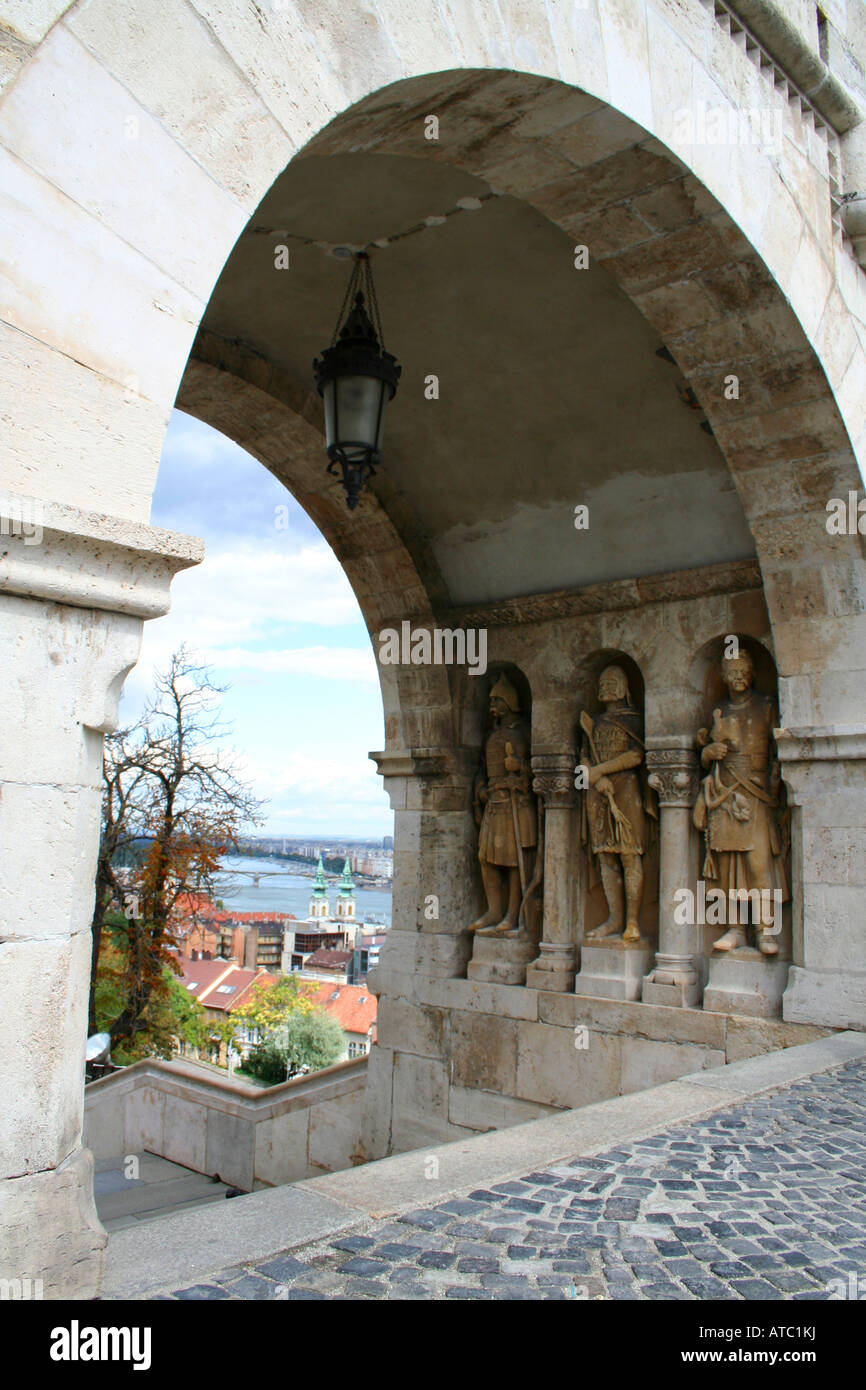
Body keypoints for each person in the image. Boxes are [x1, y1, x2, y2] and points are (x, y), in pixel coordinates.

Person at [694, 649, 788, 955]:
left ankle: (764, 931)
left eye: (744, 671)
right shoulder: (719, 710)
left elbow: (779, 748)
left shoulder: (766, 706)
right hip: (726, 793)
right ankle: (735, 928)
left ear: (753, 673)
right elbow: (706, 755)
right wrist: (708, 753)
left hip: (757, 791)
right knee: (728, 863)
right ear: (722, 676)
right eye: (733, 671)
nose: (739, 677)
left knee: (758, 862)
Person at [581, 665, 652, 942]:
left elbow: (636, 756)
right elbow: (584, 759)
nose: (606, 687)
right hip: (598, 792)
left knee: (629, 853)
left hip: (626, 789)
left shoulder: (634, 720)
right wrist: (595, 778)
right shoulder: (594, 724)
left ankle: (633, 921)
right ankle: (614, 919)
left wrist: (602, 771)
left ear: (624, 688)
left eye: (613, 682)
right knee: (605, 856)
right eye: (603, 682)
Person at [468, 673, 537, 935]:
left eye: (497, 700)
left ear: (509, 702)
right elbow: (483, 769)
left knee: (513, 862)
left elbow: (541, 769)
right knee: (485, 858)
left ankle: (512, 915)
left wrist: (519, 766)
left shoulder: (524, 732)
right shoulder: (492, 734)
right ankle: (494, 912)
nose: (492, 706)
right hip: (494, 801)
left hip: (515, 803)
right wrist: (481, 789)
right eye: (491, 701)